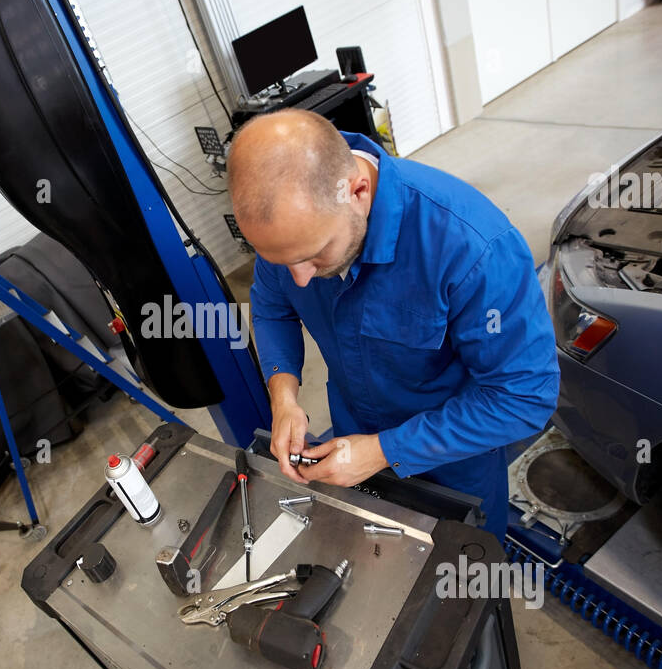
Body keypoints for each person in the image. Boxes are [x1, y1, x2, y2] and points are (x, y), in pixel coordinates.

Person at [227, 109, 559, 541]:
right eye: (280, 261)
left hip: (452, 456)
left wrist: (386, 450)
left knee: (464, 570)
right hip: (351, 432)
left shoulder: (471, 248)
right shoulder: (294, 232)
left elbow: (524, 396)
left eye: (315, 255)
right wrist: (284, 393)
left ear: (358, 192)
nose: (301, 278)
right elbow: (272, 306)